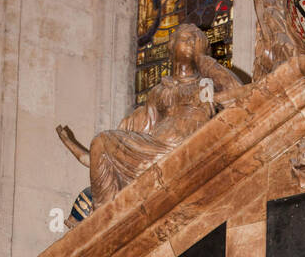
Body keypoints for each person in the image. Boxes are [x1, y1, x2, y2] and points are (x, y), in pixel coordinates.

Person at [57, 21, 240, 207]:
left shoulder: (205, 84)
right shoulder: (159, 91)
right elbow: (137, 131)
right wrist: (86, 152)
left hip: (188, 152)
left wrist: (202, 59)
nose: (191, 42)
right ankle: (107, 216)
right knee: (101, 142)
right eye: (185, 38)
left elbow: (237, 96)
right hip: (155, 151)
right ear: (171, 44)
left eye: (197, 40)